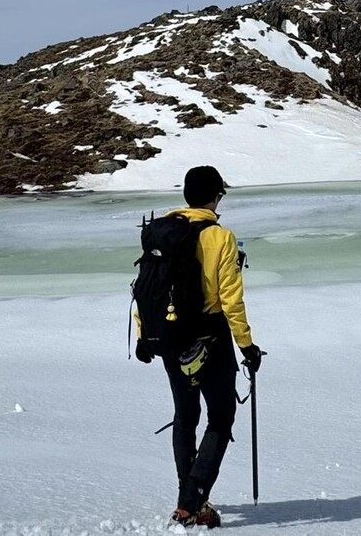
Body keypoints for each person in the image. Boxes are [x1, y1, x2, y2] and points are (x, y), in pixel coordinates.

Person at [136, 164, 262, 529]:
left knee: (185, 416)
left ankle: (190, 499)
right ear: (214, 196)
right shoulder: (220, 237)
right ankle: (191, 503)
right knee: (220, 419)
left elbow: (146, 288)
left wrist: (145, 335)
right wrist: (247, 345)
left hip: (170, 340)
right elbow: (230, 300)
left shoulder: (162, 231)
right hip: (210, 338)